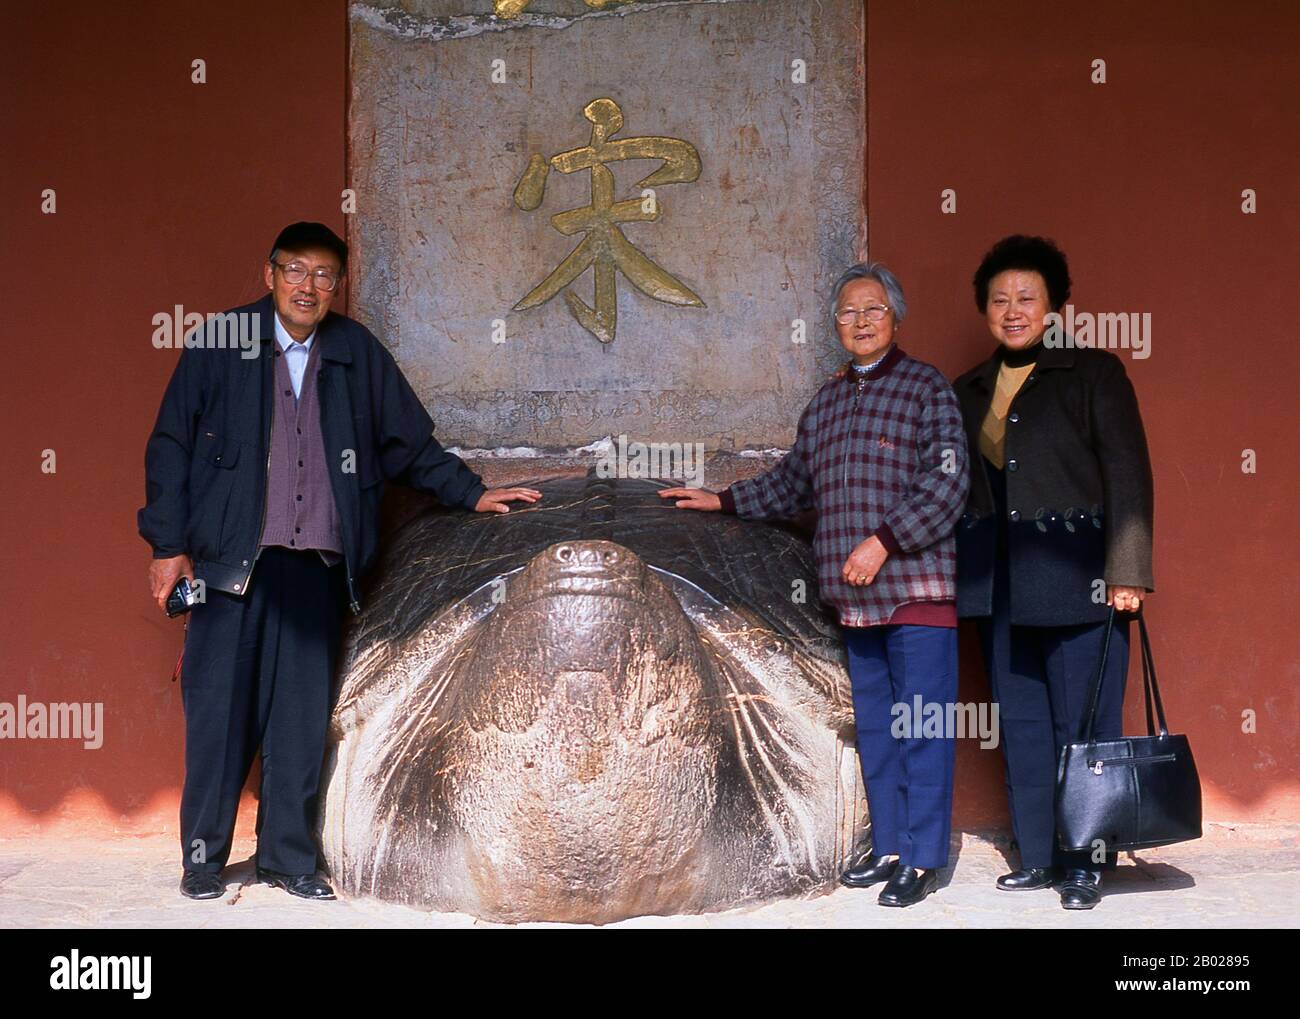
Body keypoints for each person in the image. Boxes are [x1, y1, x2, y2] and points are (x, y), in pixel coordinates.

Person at [138, 222, 541, 901]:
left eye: (325, 275)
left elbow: (411, 446)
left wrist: (472, 492)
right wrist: (167, 546)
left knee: (299, 721)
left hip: (316, 566)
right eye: (296, 270)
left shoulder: (355, 353)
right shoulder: (219, 342)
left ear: (337, 286)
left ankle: (288, 859)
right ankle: (203, 861)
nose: (309, 286)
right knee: (220, 716)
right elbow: (169, 445)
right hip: (229, 565)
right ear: (269, 274)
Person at [660, 263, 969, 907]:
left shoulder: (926, 389)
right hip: (855, 599)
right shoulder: (826, 402)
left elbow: (947, 483)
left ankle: (924, 855)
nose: (860, 322)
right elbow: (792, 484)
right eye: (848, 313)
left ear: (896, 318)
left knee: (923, 723)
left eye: (873, 310)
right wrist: (722, 502)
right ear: (835, 325)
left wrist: (884, 540)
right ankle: (888, 845)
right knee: (879, 727)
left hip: (916, 588)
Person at [952, 234, 1154, 910]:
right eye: (1000, 299)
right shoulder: (969, 388)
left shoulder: (1093, 372)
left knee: (1086, 726)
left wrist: (1128, 572)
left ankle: (1086, 861)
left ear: (1056, 304)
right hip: (1002, 584)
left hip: (1081, 580)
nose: (1013, 309)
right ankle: (1038, 855)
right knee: (1025, 723)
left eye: (1027, 297)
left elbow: (1128, 475)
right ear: (984, 309)